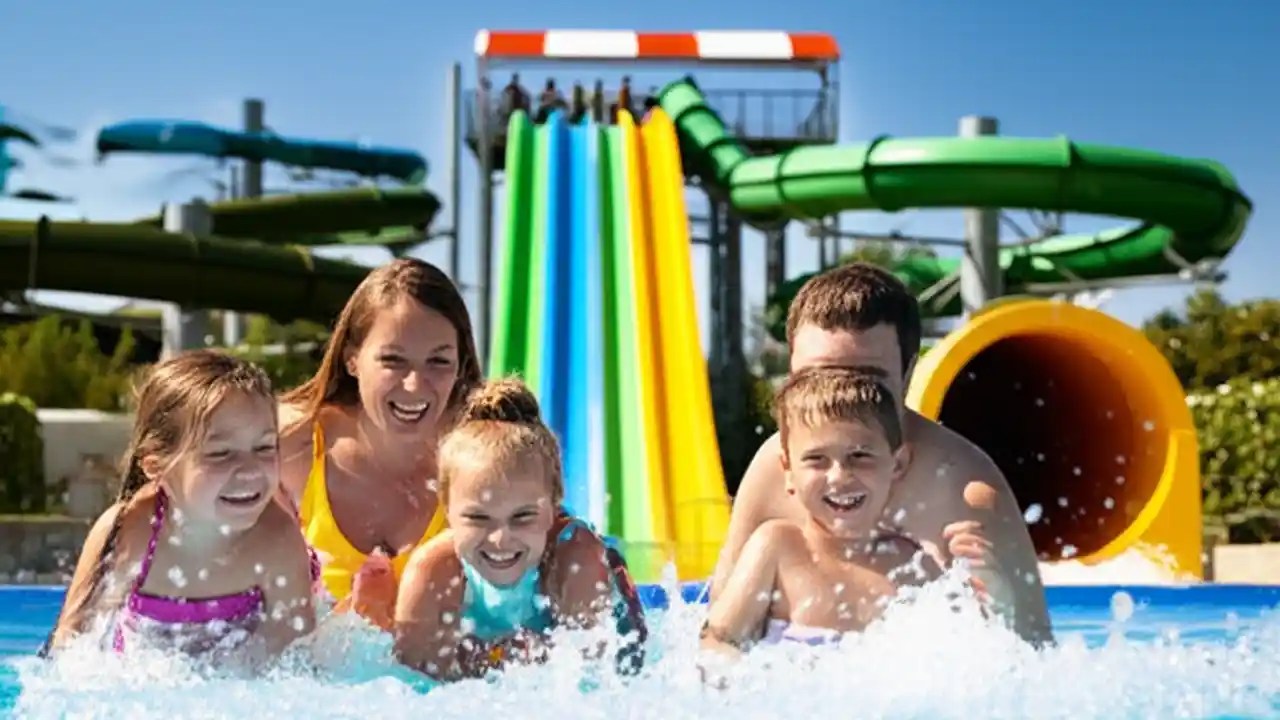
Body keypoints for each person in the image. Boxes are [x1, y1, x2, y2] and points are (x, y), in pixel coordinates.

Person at [711, 263, 1054, 646]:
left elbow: (1033, 652)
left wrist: (1001, 601)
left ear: (908, 374)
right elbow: (717, 630)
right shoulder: (774, 466)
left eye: (868, 381)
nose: (843, 399)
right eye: (816, 377)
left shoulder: (961, 490)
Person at [46, 350, 315, 662]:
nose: (250, 470)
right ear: (156, 466)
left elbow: (295, 664)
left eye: (264, 447)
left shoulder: (277, 540)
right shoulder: (130, 532)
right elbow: (70, 649)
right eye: (221, 453)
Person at [393, 378, 647, 683]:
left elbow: (591, 685)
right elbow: (413, 691)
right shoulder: (432, 573)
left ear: (553, 508)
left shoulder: (576, 561)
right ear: (447, 510)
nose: (500, 539)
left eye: (523, 517)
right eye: (478, 518)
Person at [277, 257, 482, 621]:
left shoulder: (480, 456)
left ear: (462, 365)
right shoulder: (293, 444)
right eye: (393, 360)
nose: (415, 385)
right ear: (352, 359)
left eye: (438, 362)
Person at [701, 367, 940, 656]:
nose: (839, 476)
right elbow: (719, 641)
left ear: (897, 465)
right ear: (788, 472)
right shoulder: (778, 548)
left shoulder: (913, 565)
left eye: (860, 456)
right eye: (817, 460)